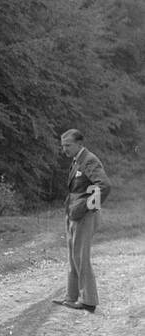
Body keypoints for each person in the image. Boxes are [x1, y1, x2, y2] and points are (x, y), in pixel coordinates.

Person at [53, 128, 109, 313]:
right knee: (73, 256)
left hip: (84, 216)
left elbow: (104, 185)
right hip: (73, 214)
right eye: (63, 146)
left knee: (81, 257)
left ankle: (88, 301)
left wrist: (86, 206)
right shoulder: (77, 160)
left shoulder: (89, 160)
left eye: (68, 145)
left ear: (79, 144)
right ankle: (72, 296)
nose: (65, 150)